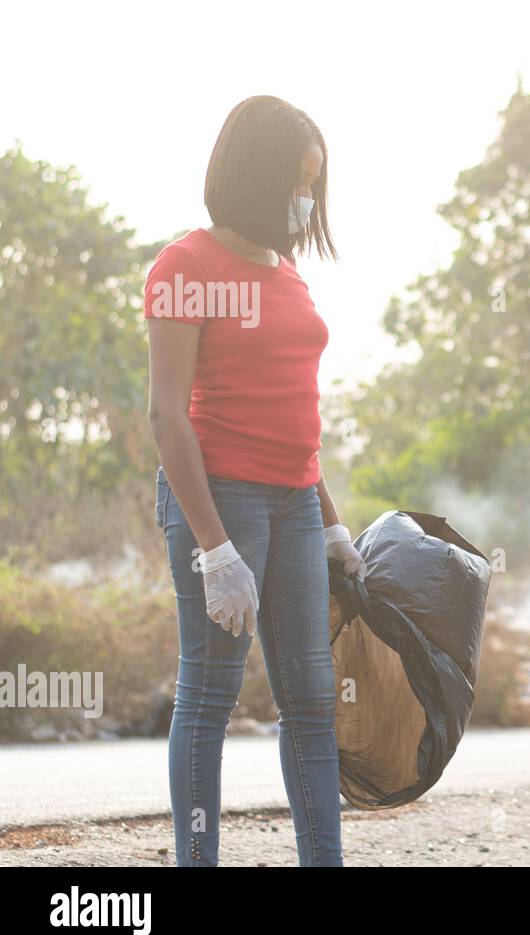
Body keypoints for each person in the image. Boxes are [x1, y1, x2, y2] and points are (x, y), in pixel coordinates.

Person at [145, 95, 366, 866]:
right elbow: (168, 417)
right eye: (298, 181)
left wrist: (332, 521)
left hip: (297, 501)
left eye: (316, 184)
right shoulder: (186, 266)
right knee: (209, 699)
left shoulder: (288, 270)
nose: (307, 200)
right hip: (220, 499)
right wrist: (214, 550)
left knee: (309, 701)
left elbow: (295, 416)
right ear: (256, 172)